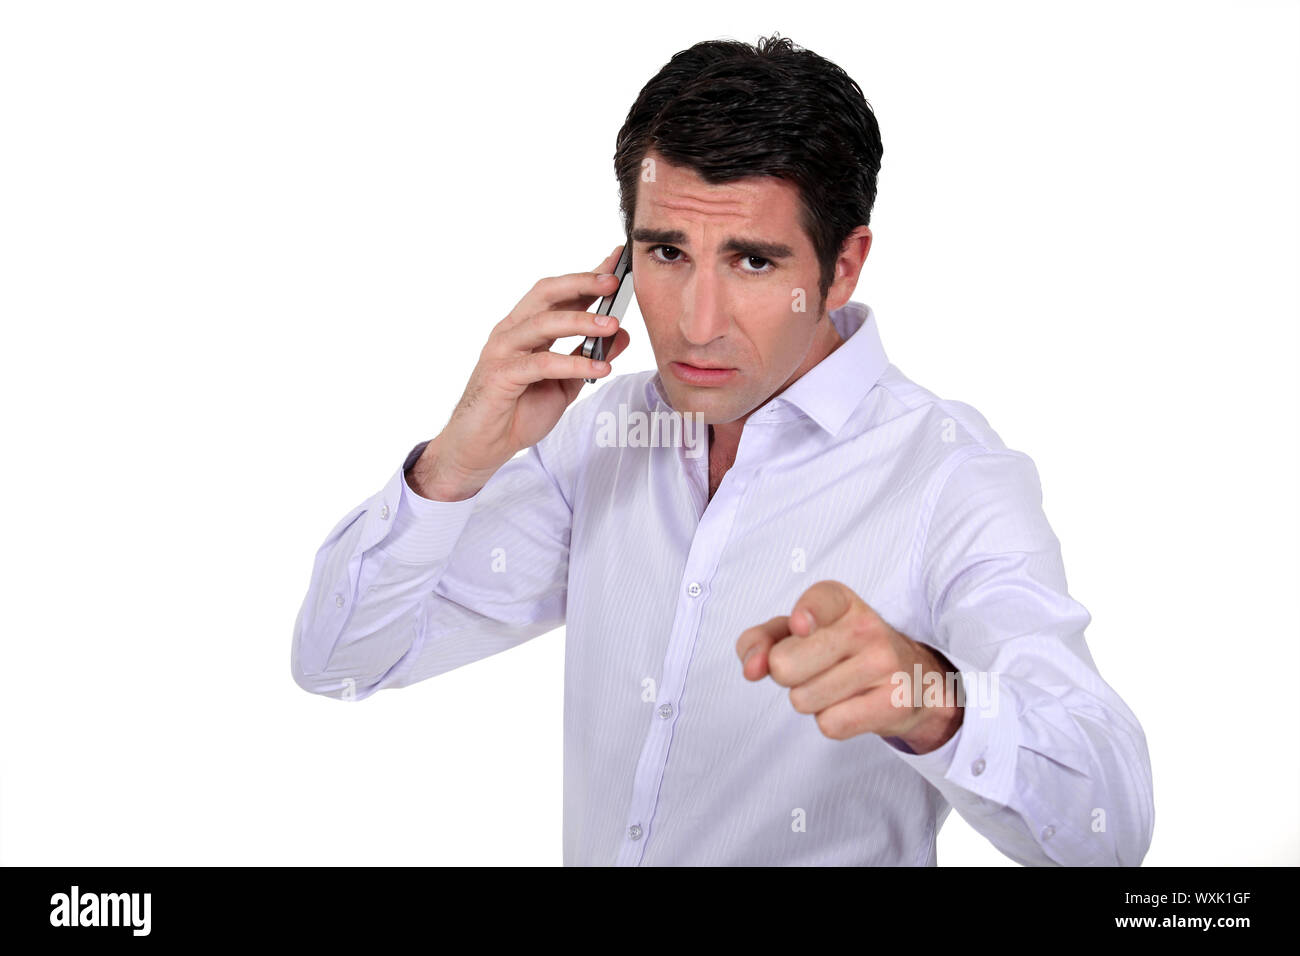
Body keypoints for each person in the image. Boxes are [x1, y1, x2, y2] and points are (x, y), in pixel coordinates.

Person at [290, 34, 1154, 866]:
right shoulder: (599, 437)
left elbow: (1111, 825)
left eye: (751, 262)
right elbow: (338, 662)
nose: (696, 325)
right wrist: (457, 462)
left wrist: (933, 699)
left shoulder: (949, 475)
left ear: (843, 267)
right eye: (667, 252)